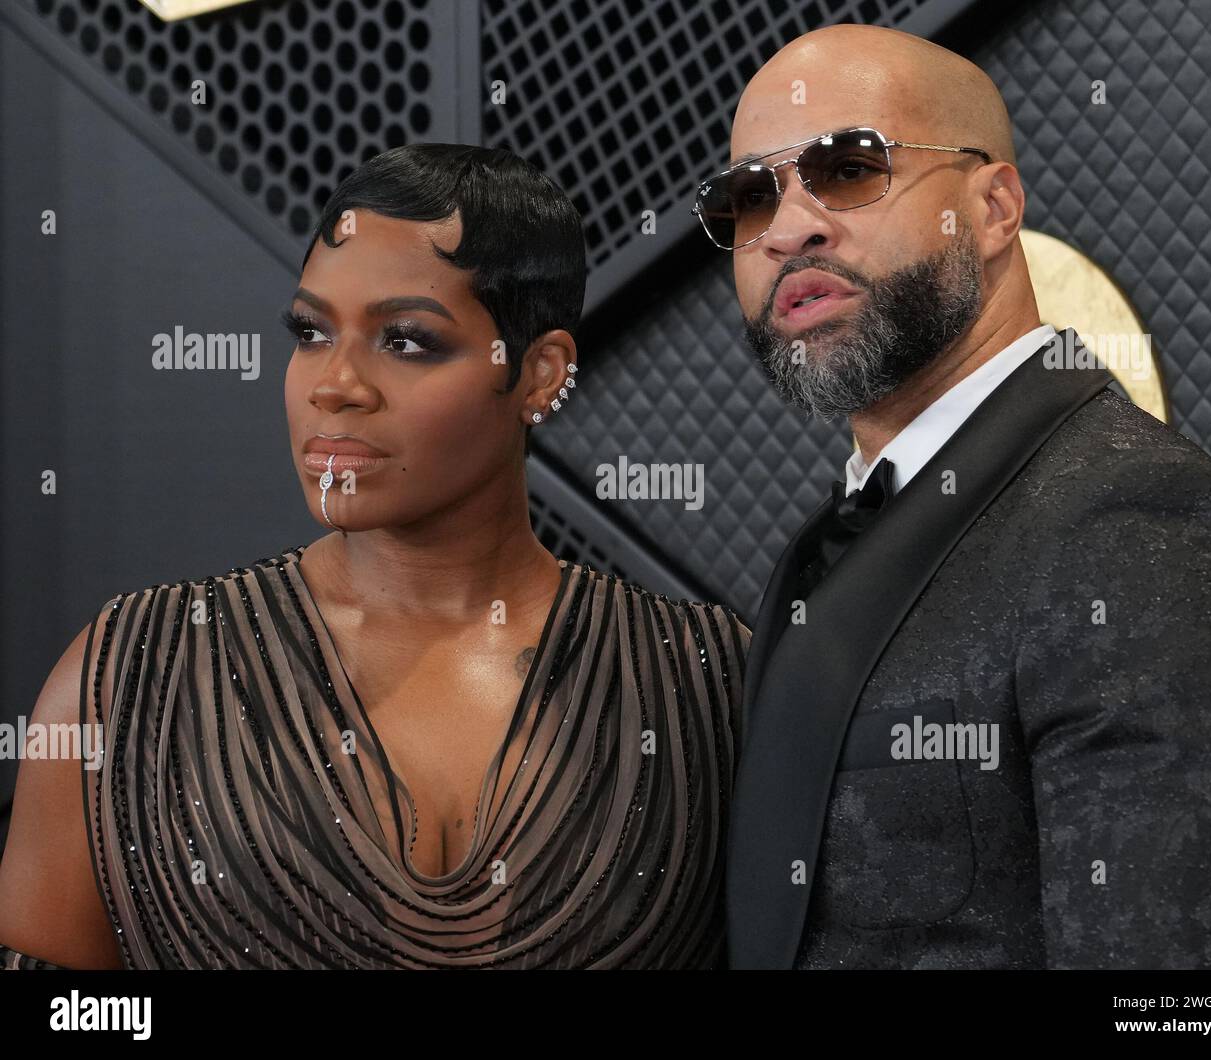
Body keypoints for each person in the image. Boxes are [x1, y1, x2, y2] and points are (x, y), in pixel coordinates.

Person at [0, 143, 749, 970]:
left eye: (405, 340)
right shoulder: (129, 673)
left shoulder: (707, 681)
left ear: (540, 375)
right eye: (311, 332)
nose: (336, 385)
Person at [700, 25, 1211, 968]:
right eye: (748, 197)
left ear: (993, 209)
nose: (787, 227)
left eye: (849, 167)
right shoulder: (840, 534)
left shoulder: (1139, 524)